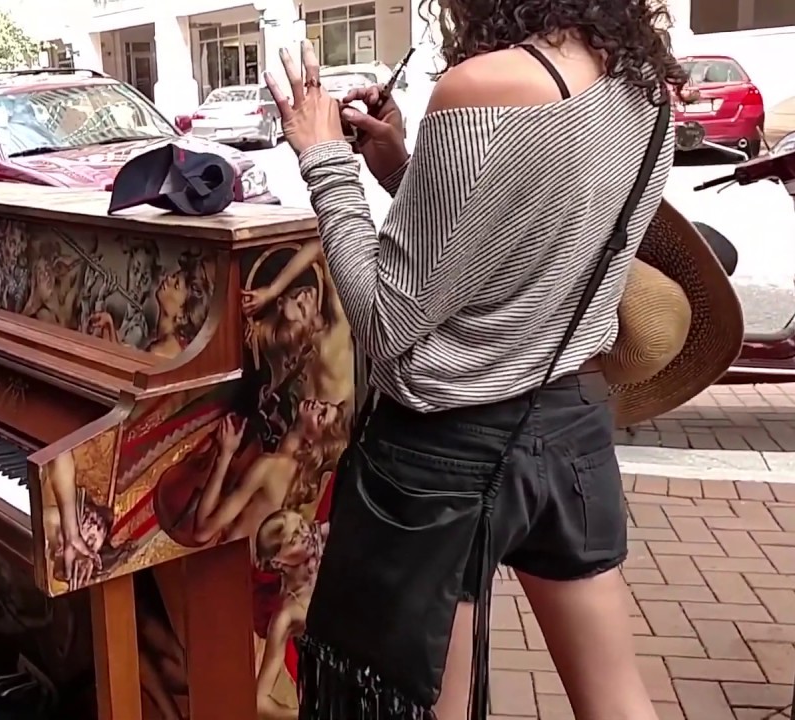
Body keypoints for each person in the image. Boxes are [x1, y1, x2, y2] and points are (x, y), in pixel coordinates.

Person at [262, 1, 695, 717]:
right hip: (570, 423)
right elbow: (522, 249)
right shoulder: (643, 83)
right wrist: (401, 166)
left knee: (431, 702)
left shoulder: (483, 86)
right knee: (617, 696)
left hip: (446, 449)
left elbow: (387, 318)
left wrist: (322, 157)